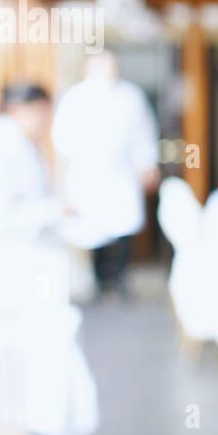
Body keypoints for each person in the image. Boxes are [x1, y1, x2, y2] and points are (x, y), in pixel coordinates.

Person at [51, 51, 159, 299]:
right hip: (89, 171)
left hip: (122, 171)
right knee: (94, 228)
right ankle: (101, 280)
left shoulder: (131, 97)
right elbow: (62, 138)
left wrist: (147, 164)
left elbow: (144, 134)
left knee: (122, 228)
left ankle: (120, 279)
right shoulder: (76, 98)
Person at [0, 82, 63, 248]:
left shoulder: (29, 147)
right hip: (4, 256)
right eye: (39, 111)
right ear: (15, 110)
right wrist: (55, 210)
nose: (45, 120)